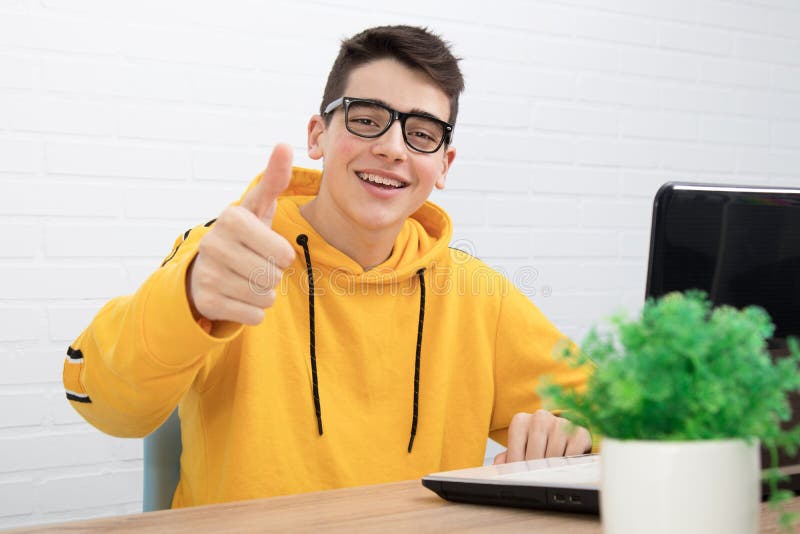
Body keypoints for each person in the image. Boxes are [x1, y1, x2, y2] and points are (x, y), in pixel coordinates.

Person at [63, 25, 593, 508]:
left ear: (443, 164)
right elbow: (107, 405)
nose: (391, 148)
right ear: (318, 135)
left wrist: (576, 435)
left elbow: (629, 415)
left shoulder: (479, 294)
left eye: (423, 134)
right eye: (366, 120)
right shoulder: (226, 259)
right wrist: (187, 300)